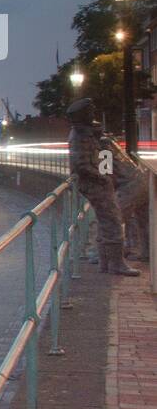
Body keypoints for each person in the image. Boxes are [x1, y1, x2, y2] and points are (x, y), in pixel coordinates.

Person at [67, 98, 139, 276]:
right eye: (90, 110)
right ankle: (116, 263)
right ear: (82, 114)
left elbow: (101, 158)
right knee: (113, 220)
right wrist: (102, 178)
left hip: (98, 183)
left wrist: (107, 174)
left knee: (107, 220)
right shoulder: (80, 135)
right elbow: (80, 164)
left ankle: (106, 263)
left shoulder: (89, 133)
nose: (93, 113)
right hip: (94, 186)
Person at [100, 130, 150, 262]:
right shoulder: (111, 143)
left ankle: (105, 255)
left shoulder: (102, 147)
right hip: (141, 181)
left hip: (129, 186)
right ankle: (144, 251)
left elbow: (106, 174)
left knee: (113, 219)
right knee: (142, 220)